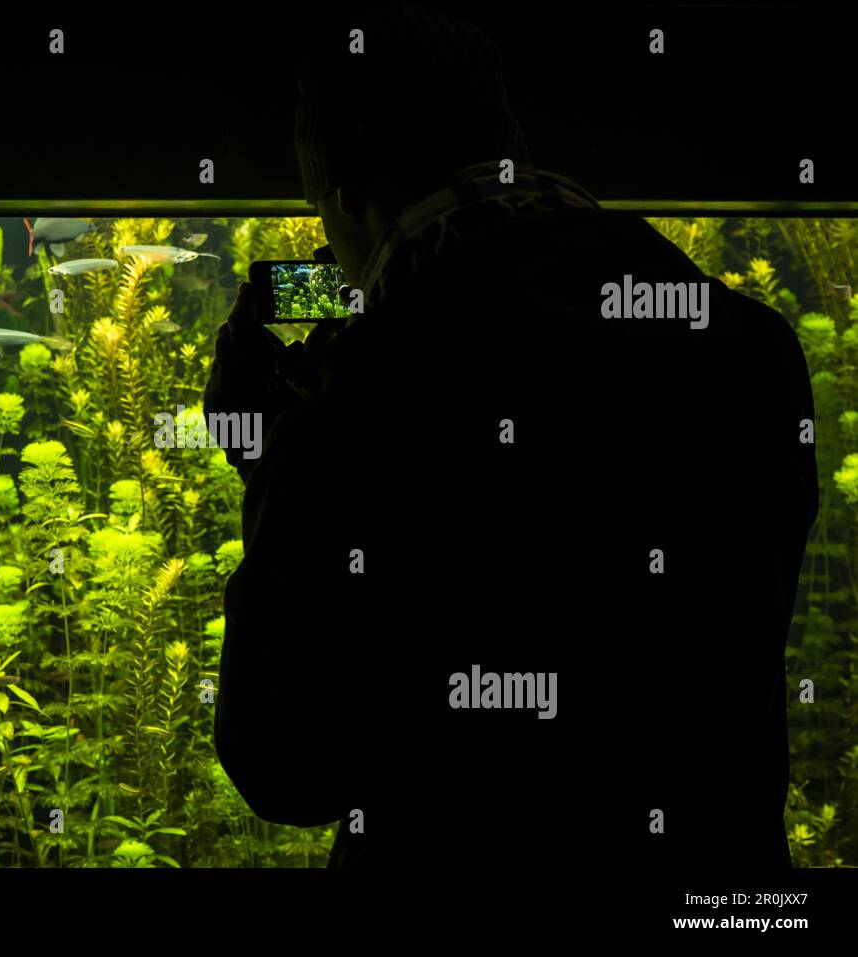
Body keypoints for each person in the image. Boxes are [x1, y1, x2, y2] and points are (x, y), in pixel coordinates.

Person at [205, 5, 818, 874]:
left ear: (345, 193)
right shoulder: (751, 349)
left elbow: (286, 764)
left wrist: (279, 463)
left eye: (321, 218)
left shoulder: (357, 396)